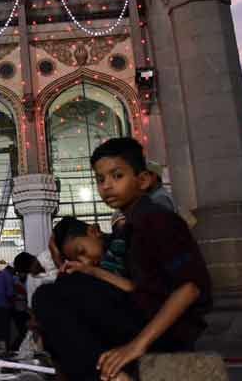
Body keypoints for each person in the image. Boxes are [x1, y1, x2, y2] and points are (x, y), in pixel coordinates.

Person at [33, 137, 212, 381]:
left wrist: (136, 345)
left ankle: (112, 376)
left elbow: (190, 288)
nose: (106, 186)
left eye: (117, 176)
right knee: (55, 292)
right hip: (141, 315)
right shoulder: (129, 229)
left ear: (143, 180)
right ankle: (109, 375)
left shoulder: (158, 219)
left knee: (52, 294)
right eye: (100, 179)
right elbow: (135, 288)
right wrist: (88, 272)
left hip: (165, 331)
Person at [52, 217, 134, 292]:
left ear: (94, 231)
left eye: (82, 252)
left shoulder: (119, 245)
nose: (86, 262)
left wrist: (92, 271)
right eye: (77, 261)